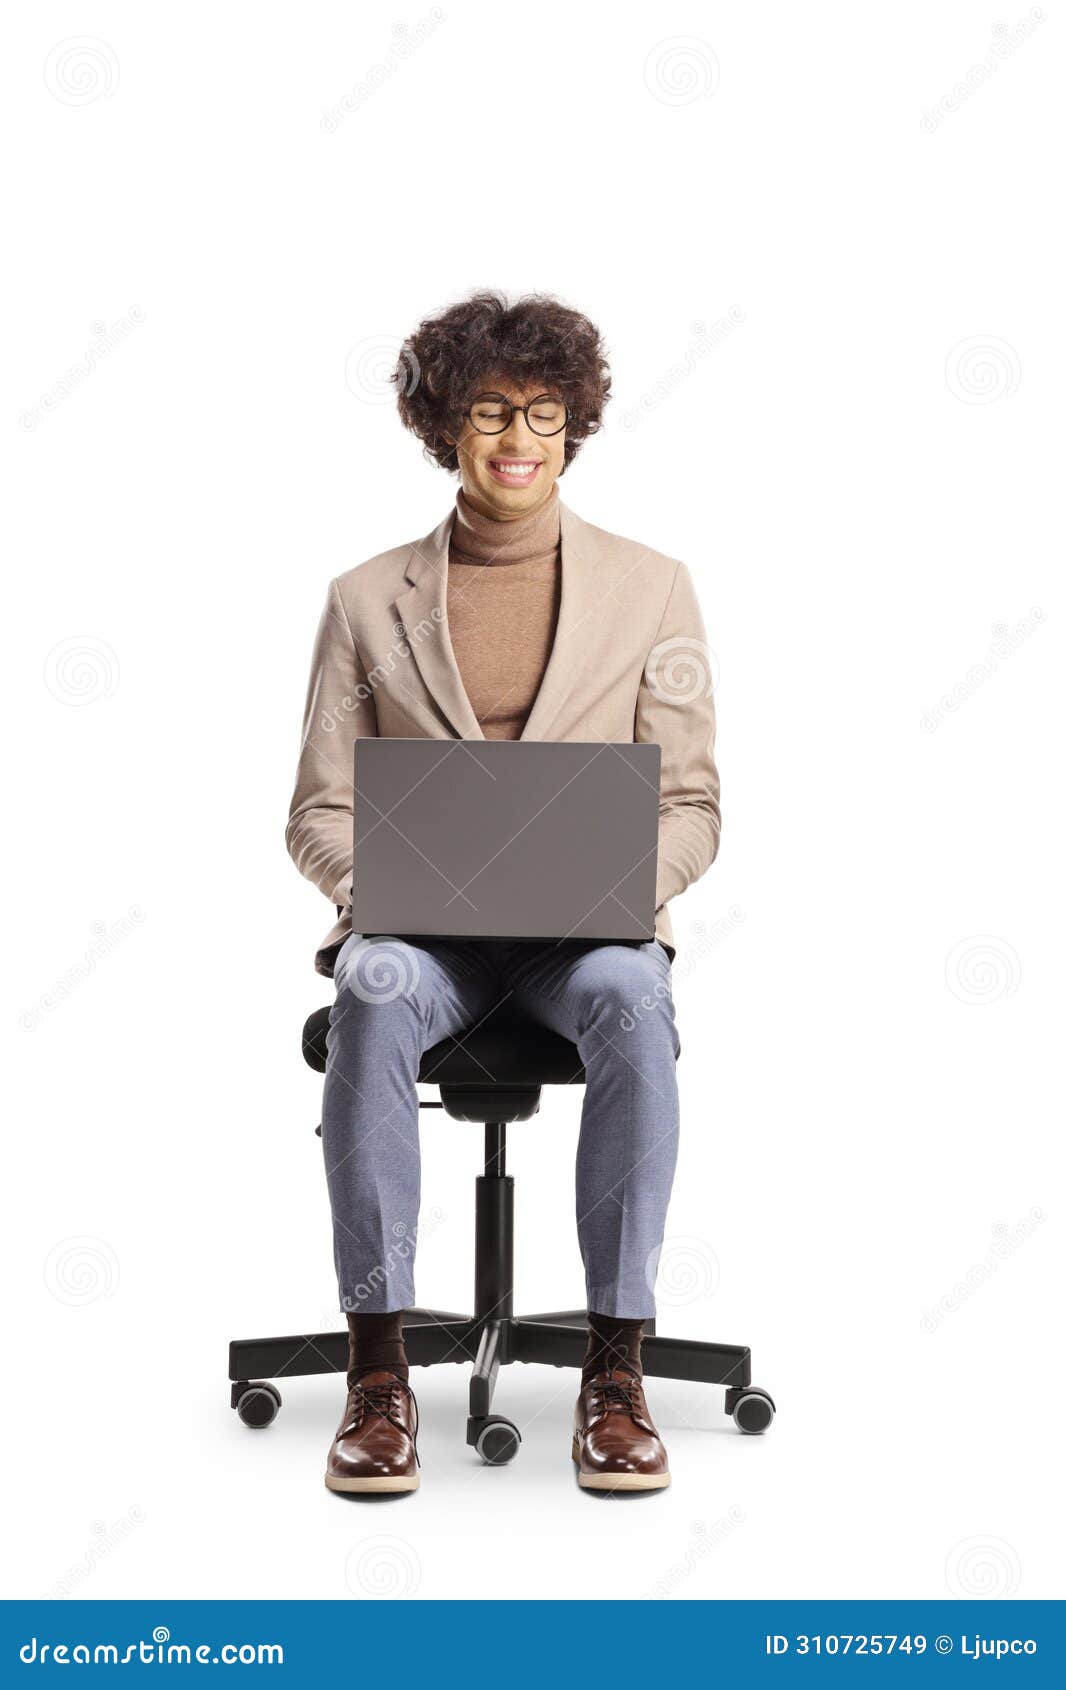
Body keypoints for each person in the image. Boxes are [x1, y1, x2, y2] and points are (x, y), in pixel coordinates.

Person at [287, 291, 720, 1493]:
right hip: (425, 942)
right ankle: (379, 1371)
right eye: (487, 410)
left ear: (574, 423)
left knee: (635, 993)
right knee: (370, 976)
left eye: (540, 410)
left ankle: (614, 1366)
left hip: (584, 943)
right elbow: (318, 805)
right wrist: (385, 884)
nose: (516, 434)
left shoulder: (653, 588)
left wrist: (627, 887)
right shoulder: (366, 599)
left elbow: (692, 801)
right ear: (447, 429)